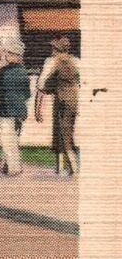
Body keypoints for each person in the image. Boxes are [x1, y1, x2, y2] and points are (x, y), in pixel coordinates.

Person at [0, 44, 30, 176]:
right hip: (20, 109)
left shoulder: (1, 72)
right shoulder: (23, 72)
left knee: (7, 139)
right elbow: (27, 94)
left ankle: (14, 167)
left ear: (13, 55)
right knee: (13, 138)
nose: (6, 55)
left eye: (8, 53)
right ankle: (6, 164)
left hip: (5, 108)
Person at [36, 36, 81, 176]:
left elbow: (41, 84)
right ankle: (64, 166)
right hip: (74, 100)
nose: (51, 50)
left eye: (53, 48)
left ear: (56, 49)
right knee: (67, 131)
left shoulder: (51, 61)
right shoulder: (76, 61)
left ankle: (69, 165)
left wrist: (37, 110)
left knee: (61, 133)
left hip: (60, 99)